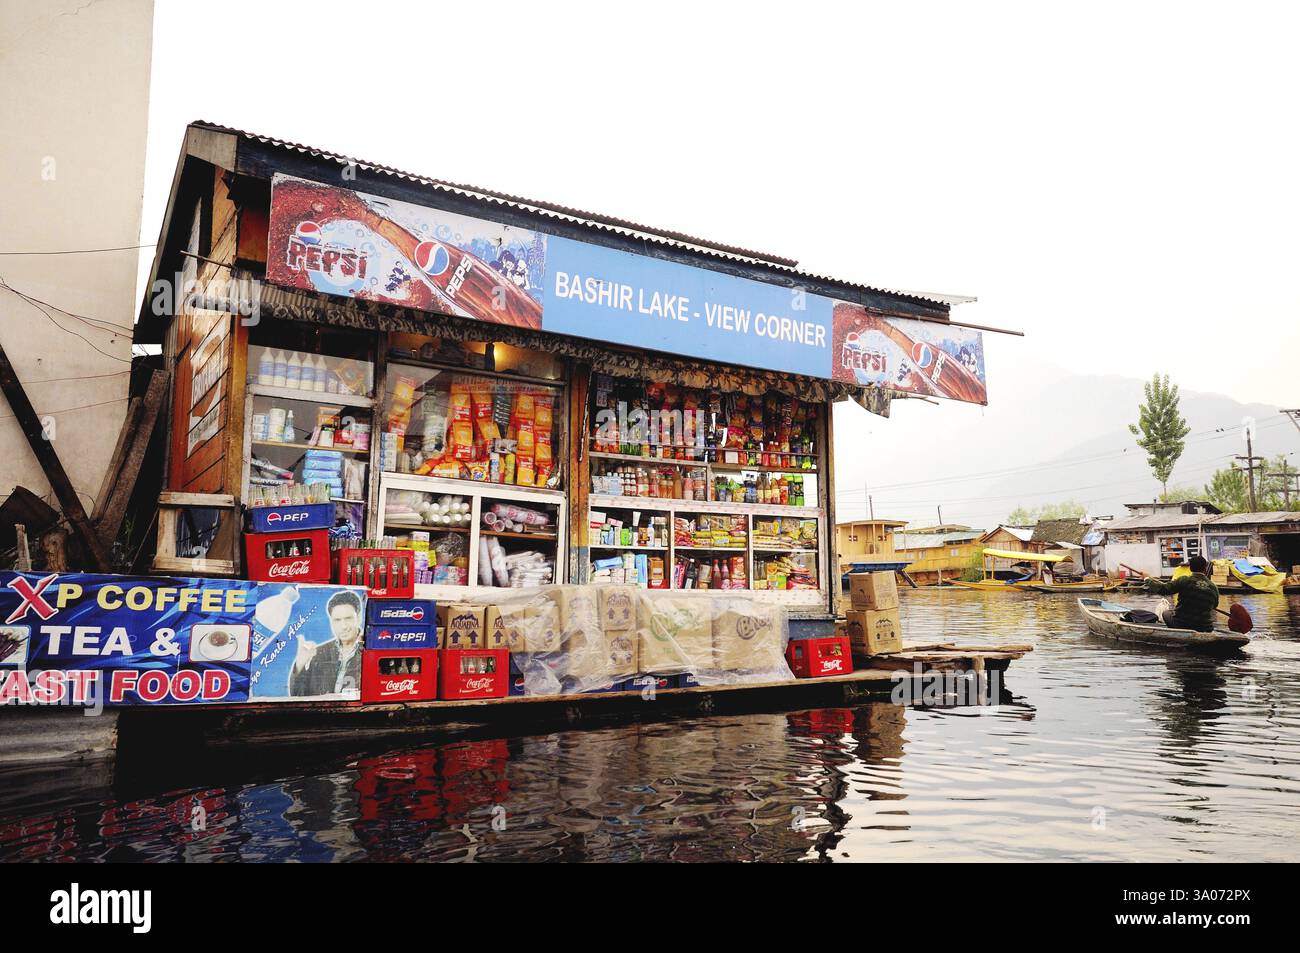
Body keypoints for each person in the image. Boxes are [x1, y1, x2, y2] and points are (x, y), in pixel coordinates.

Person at [290, 590, 364, 697]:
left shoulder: (369, 650)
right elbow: (298, 695)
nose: (343, 626)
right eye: (337, 620)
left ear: (359, 618)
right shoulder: (319, 653)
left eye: (348, 618)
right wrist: (300, 664)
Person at [1143, 555, 1219, 632]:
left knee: (1166, 613)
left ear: (1190, 568)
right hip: (1205, 627)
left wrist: (1147, 579)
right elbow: (1214, 605)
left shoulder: (1184, 580)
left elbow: (1164, 589)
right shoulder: (1213, 587)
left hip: (1182, 624)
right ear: (1205, 568)